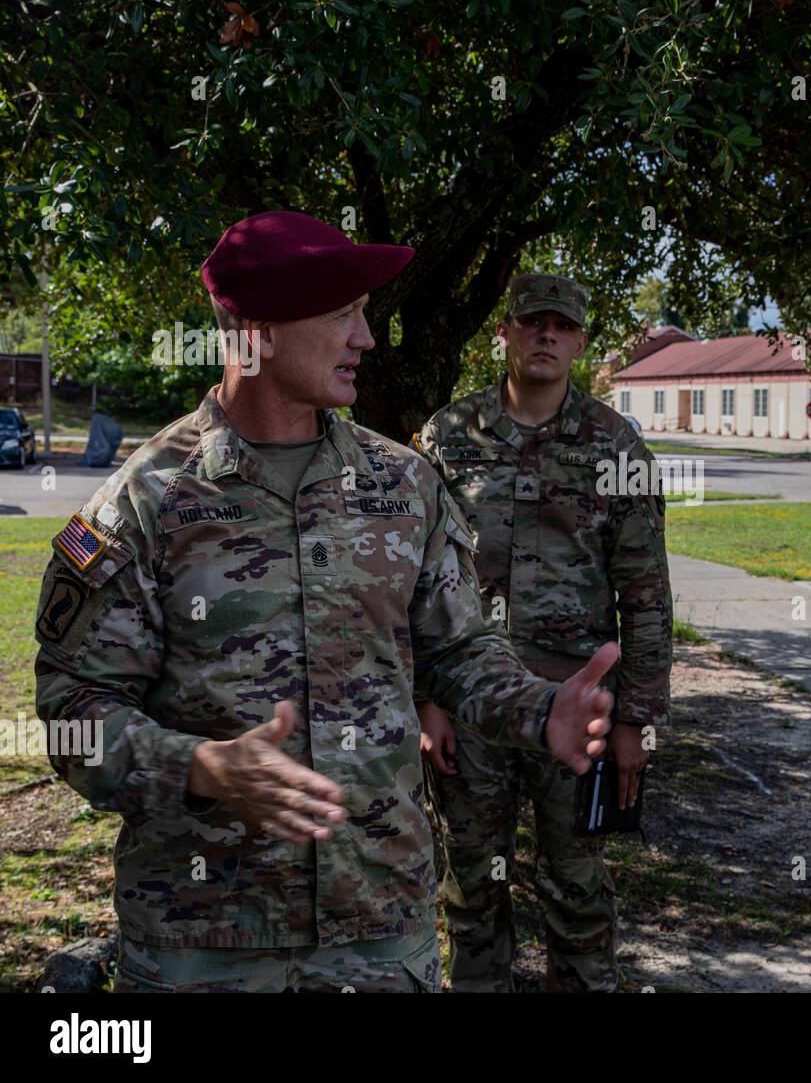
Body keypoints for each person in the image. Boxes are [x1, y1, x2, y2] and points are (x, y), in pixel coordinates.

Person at [33, 212, 616, 993]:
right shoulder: (147, 499)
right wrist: (200, 765)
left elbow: (456, 650)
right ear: (256, 331)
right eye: (343, 311)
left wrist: (540, 709)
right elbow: (74, 709)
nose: (366, 337)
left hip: (380, 929)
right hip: (202, 939)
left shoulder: (403, 483)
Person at [412, 274, 672, 992]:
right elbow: (422, 584)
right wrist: (428, 699)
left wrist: (636, 720)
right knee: (471, 886)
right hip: (473, 704)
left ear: (582, 341)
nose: (546, 335)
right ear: (506, 331)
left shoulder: (615, 446)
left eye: (562, 325)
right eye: (532, 322)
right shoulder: (445, 437)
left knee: (578, 885)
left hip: (581, 706)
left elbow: (646, 593)